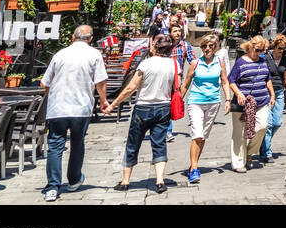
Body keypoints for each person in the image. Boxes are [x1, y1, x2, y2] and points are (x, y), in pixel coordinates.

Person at [39, 25, 110, 202]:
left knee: (55, 145)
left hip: (58, 108)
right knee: (77, 143)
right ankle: (74, 179)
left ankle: (53, 187)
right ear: (91, 38)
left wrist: (52, 96)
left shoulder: (60, 55)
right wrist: (103, 101)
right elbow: (100, 81)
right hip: (81, 107)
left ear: (72, 37)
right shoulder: (94, 54)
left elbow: (45, 82)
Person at [105, 32, 177, 192]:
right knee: (159, 143)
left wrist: (113, 104)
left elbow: (131, 88)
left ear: (154, 48)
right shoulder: (173, 64)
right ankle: (159, 181)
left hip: (143, 108)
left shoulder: (145, 64)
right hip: (163, 107)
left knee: (133, 143)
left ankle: (125, 182)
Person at [180, 32, 229, 185]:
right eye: (204, 46)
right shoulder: (195, 63)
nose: (207, 48)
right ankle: (194, 169)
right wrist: (177, 101)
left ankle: (193, 164)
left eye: (210, 46)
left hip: (214, 102)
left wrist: (228, 99)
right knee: (197, 134)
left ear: (215, 47)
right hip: (195, 101)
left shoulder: (219, 62)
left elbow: (225, 81)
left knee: (203, 137)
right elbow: (186, 83)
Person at [226, 35, 275, 173]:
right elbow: (231, 80)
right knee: (239, 134)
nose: (260, 53)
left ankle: (249, 152)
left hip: (262, 101)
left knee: (263, 126)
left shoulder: (263, 61)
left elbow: (267, 78)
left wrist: (272, 94)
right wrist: (239, 94)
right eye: (258, 50)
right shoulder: (241, 62)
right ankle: (238, 162)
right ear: (250, 47)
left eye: (262, 50)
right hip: (243, 103)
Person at [259, 35, 286, 164]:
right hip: (267, 93)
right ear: (274, 47)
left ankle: (262, 144)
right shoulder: (265, 58)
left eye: (284, 48)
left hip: (279, 92)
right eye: (279, 48)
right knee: (268, 124)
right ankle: (267, 152)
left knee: (277, 123)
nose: (281, 51)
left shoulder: (284, 58)